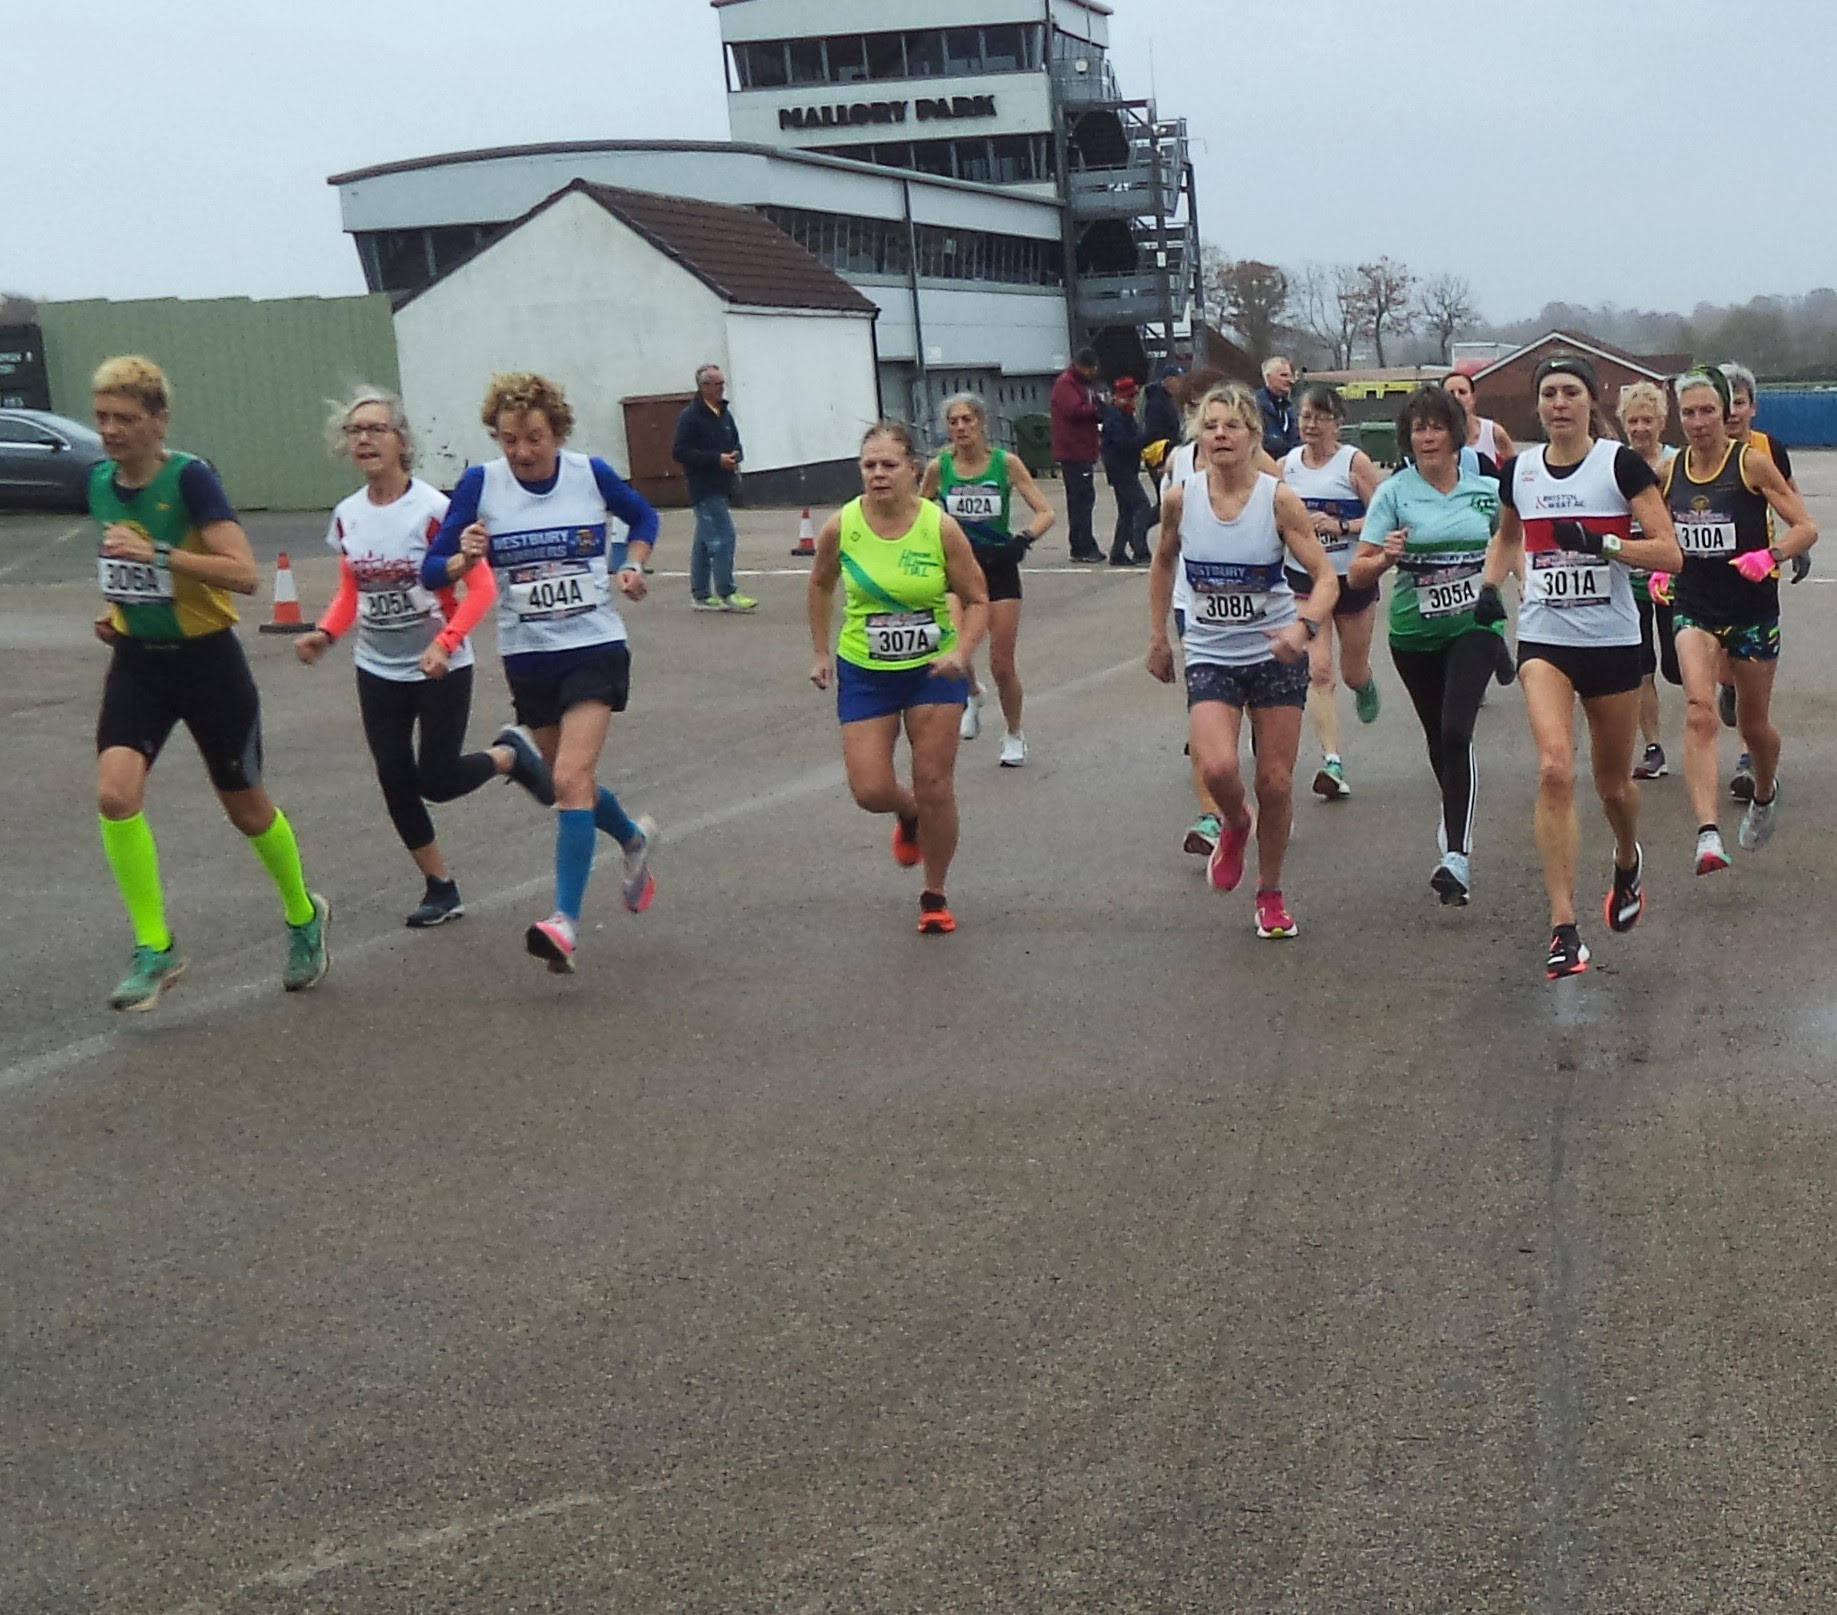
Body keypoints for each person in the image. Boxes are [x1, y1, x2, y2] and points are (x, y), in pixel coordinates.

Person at [88, 355, 329, 1009]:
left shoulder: (190, 479)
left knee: (247, 809)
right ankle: (154, 945)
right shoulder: (99, 482)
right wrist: (116, 610)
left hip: (207, 664)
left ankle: (304, 913)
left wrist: (160, 553)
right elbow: (124, 568)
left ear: (159, 420)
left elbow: (244, 573)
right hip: (138, 662)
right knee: (114, 794)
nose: (110, 430)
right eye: (102, 416)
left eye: (125, 418)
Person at [422, 373, 660, 975]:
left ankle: (564, 923)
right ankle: (632, 838)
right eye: (509, 440)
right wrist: (463, 557)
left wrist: (633, 565)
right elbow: (431, 568)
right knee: (564, 784)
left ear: (557, 432)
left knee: (572, 778)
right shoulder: (481, 484)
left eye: (533, 438)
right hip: (528, 657)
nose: (522, 452)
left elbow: (643, 519)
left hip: (594, 646)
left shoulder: (590, 474)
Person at [295, 387, 555, 927]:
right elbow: (352, 590)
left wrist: (446, 642)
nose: (364, 440)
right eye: (354, 431)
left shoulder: (434, 511)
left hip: (441, 666)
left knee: (436, 779)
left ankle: (509, 756)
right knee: (394, 776)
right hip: (377, 666)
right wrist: (326, 633)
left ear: (401, 440)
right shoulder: (347, 515)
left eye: (376, 429)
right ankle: (439, 886)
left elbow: (481, 588)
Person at [1477, 355, 1682, 980]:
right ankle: (1564, 927)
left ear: (1591, 402)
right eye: (1549, 393)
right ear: (1537, 404)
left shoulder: (1618, 466)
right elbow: (1509, 536)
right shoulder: (1520, 471)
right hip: (1545, 639)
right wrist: (1489, 588)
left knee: (1613, 786)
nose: (1559, 403)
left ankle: (1626, 858)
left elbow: (1669, 553)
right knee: (1553, 769)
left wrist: (1603, 543)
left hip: (1613, 642)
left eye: (1570, 392)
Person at [1147, 383, 1338, 938]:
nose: (1220, 435)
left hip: (1274, 651)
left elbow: (1325, 577)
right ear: (1198, 437)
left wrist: (1303, 629)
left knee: (1275, 782)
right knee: (1218, 769)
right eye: (1210, 426)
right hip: (1211, 652)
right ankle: (1234, 822)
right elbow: (1163, 563)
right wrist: (1158, 637)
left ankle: (1270, 892)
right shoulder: (1181, 498)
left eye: (1231, 425)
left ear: (1253, 435)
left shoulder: (1278, 500)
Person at [808, 421, 989, 934]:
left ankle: (935, 892)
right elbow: (820, 585)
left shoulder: (939, 527)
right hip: (866, 670)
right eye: (869, 465)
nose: (878, 474)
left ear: (913, 469)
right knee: (869, 789)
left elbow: (977, 598)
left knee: (934, 782)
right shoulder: (842, 526)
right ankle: (909, 814)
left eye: (889, 465)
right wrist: (820, 653)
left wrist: (962, 652)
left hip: (933, 670)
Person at [1349, 385, 1502, 905]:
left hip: (1474, 627)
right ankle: (1453, 809)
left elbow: (1512, 540)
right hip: (1414, 635)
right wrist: (1385, 558)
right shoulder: (1394, 494)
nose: (1428, 437)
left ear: (1456, 434)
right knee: (1439, 739)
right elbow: (1357, 572)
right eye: (1419, 429)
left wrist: (1515, 583)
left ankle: (1456, 854)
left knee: (1457, 730)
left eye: (1437, 427)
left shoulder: (1485, 490)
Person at [1659, 366, 1816, 871]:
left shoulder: (1750, 464)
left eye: (1708, 411)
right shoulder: (1669, 471)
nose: (1699, 422)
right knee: (1699, 709)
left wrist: (1771, 555)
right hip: (1695, 607)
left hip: (1751, 611)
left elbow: (1805, 527)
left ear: (1725, 413)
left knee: (1753, 725)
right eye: (1689, 413)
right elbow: (1655, 531)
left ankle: (1765, 791)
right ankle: (1708, 834)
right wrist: (1660, 567)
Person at [920, 393, 1055, 766]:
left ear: (981, 423)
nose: (961, 427)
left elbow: (1045, 511)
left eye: (967, 420)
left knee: (1001, 663)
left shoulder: (1004, 463)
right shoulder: (939, 468)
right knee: (954, 645)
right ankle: (972, 693)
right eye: (953, 422)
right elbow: (920, 509)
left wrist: (1022, 540)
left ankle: (1014, 734)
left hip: (998, 564)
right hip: (958, 565)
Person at [1278, 384, 1384, 800]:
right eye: (1305, 416)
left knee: (1350, 671)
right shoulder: (1286, 466)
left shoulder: (1354, 463)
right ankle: (1332, 762)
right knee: (1318, 669)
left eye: (1320, 417)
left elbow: (1385, 516)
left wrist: (1341, 526)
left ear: (1338, 423)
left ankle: (1365, 684)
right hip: (1305, 580)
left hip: (1351, 578)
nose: (1311, 425)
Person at [1718, 361, 1807, 799]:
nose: (1731, 412)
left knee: (1749, 670)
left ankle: (1748, 759)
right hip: (1706, 575)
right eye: (1725, 402)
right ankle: (1727, 686)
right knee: (1725, 669)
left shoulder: (1768, 449)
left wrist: (1797, 545)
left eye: (1739, 402)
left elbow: (1790, 495)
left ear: (1753, 407)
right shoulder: (1697, 448)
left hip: (1757, 572)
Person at [1615, 381, 1679, 780]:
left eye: (1647, 420)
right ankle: (1654, 747)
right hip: (1630, 580)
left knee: (1678, 668)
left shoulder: (1677, 462)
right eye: (1633, 421)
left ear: (1662, 422)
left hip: (1673, 580)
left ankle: (1724, 691)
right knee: (1642, 667)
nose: (1640, 428)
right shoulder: (1615, 464)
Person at [671, 364, 757, 613]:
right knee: (723, 537)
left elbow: (735, 441)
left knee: (703, 542)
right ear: (703, 386)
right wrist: (716, 459)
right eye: (717, 384)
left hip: (722, 485)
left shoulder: (723, 413)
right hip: (704, 487)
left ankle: (700, 595)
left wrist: (735, 455)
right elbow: (680, 452)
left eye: (722, 383)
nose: (722, 388)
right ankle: (727, 592)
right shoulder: (690, 417)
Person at [1050, 348, 1104, 562]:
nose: (1093, 373)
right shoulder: (1066, 384)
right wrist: (1096, 410)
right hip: (1074, 451)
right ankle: (1083, 546)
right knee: (1081, 501)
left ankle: (1081, 545)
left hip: (1081, 450)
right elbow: (1074, 411)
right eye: (1090, 369)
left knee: (1082, 500)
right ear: (1082, 366)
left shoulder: (1081, 384)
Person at [1100, 376, 1154, 566]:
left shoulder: (1124, 415)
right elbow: (1122, 444)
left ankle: (1117, 552)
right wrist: (1144, 439)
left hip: (1124, 469)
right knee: (1141, 506)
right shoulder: (1115, 418)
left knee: (1127, 511)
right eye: (1129, 397)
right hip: (1121, 470)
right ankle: (1140, 549)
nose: (1132, 401)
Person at [1441, 366, 1515, 469]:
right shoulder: (1436, 436)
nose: (1456, 397)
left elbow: (1512, 470)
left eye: (1462, 392)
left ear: (1473, 398)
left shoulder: (1494, 432)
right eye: (1450, 393)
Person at [1142, 359, 1187, 495]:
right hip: (1160, 457)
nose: (1181, 384)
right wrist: (1161, 463)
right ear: (1168, 380)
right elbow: (1154, 434)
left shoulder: (1169, 401)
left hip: (1171, 454)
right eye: (1178, 380)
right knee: (1166, 496)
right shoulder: (1156, 403)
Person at [1254, 356, 1301, 461]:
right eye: (1284, 375)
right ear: (1268, 377)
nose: (1290, 381)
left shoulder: (1291, 408)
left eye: (1290, 376)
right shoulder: (1253, 406)